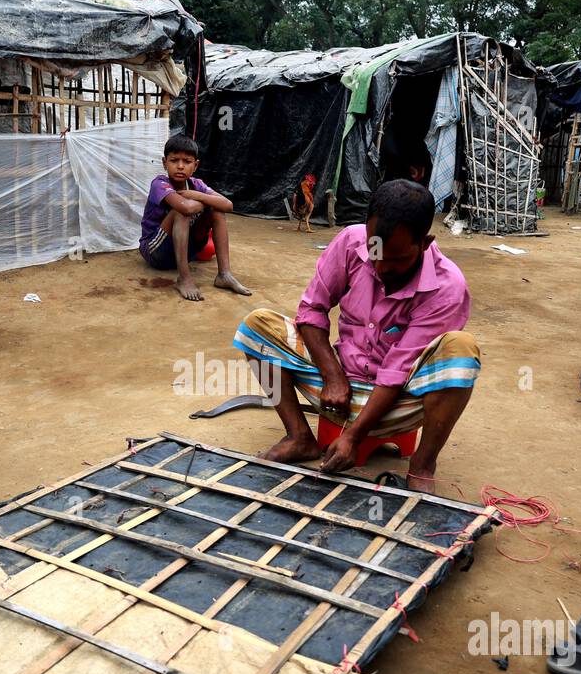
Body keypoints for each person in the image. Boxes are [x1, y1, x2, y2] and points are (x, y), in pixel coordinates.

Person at [233, 179, 479, 493]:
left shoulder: (448, 287)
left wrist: (353, 436)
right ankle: (299, 437)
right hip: (335, 392)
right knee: (258, 326)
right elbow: (311, 311)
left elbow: (397, 370)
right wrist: (333, 375)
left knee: (461, 348)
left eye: (397, 259)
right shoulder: (351, 242)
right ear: (367, 230)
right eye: (376, 252)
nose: (380, 266)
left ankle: (422, 465)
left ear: (426, 243)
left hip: (400, 403)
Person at [139, 134, 250, 302]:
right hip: (156, 252)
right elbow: (186, 207)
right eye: (174, 160)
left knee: (217, 211)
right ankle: (184, 278)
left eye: (187, 161)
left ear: (195, 165)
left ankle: (224, 274)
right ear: (164, 163)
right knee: (182, 212)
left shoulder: (196, 185)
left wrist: (196, 195)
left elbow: (228, 205)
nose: (180, 166)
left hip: (186, 250)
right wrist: (205, 201)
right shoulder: (159, 184)